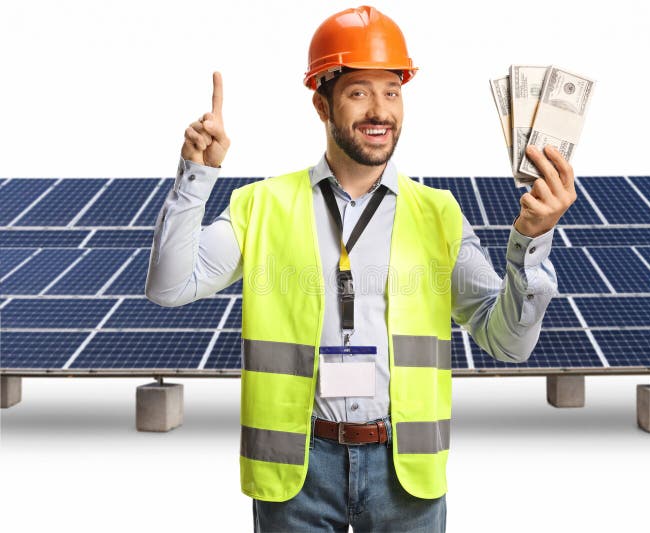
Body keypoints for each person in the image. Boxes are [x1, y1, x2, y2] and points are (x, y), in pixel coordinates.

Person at [145, 5, 576, 532]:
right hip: (296, 470)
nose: (380, 110)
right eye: (358, 92)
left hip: (406, 472)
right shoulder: (261, 206)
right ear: (321, 103)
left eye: (392, 91)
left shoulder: (438, 214)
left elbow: (509, 343)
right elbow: (168, 287)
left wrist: (531, 243)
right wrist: (197, 175)